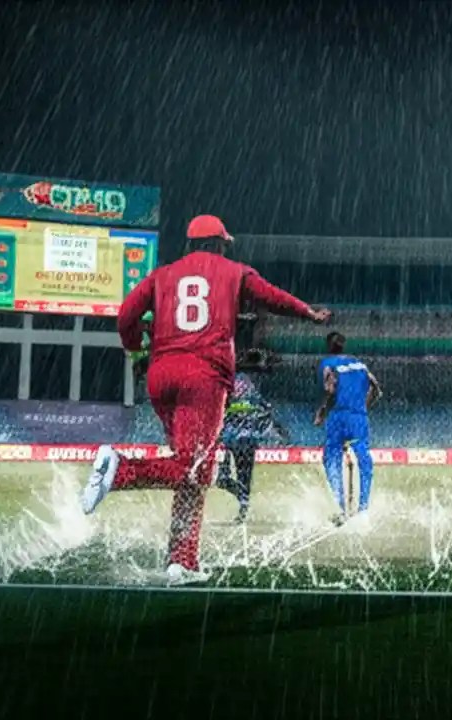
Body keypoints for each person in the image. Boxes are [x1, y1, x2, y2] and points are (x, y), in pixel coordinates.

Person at [81, 214, 330, 586]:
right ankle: (119, 470)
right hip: (203, 378)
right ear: (218, 244)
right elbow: (270, 296)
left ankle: (181, 561)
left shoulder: (161, 275)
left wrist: (136, 346)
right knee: (195, 467)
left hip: (161, 375)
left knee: (193, 467)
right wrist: (307, 312)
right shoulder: (234, 271)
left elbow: (125, 316)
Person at [314, 332, 381, 526]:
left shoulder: (328, 364)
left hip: (338, 415)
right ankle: (363, 509)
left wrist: (322, 412)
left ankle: (340, 508)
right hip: (359, 416)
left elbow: (331, 389)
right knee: (363, 458)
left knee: (331, 457)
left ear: (328, 345)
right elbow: (376, 388)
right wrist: (364, 406)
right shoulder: (359, 364)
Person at [215, 349, 287, 524]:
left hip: (243, 437)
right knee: (223, 479)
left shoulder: (246, 381)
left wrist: (274, 425)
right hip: (231, 437)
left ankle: (243, 509)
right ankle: (244, 500)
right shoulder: (232, 381)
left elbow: (263, 408)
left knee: (240, 476)